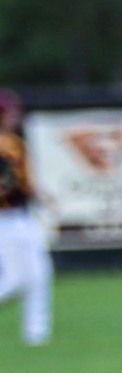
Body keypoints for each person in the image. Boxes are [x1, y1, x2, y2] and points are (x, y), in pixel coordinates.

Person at [0, 88, 53, 347]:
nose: (16, 115)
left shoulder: (13, 143)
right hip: (6, 220)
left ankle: (36, 334)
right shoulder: (7, 146)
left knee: (40, 273)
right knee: (19, 279)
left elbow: (23, 183)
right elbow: (12, 185)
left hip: (19, 217)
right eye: (11, 111)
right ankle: (35, 332)